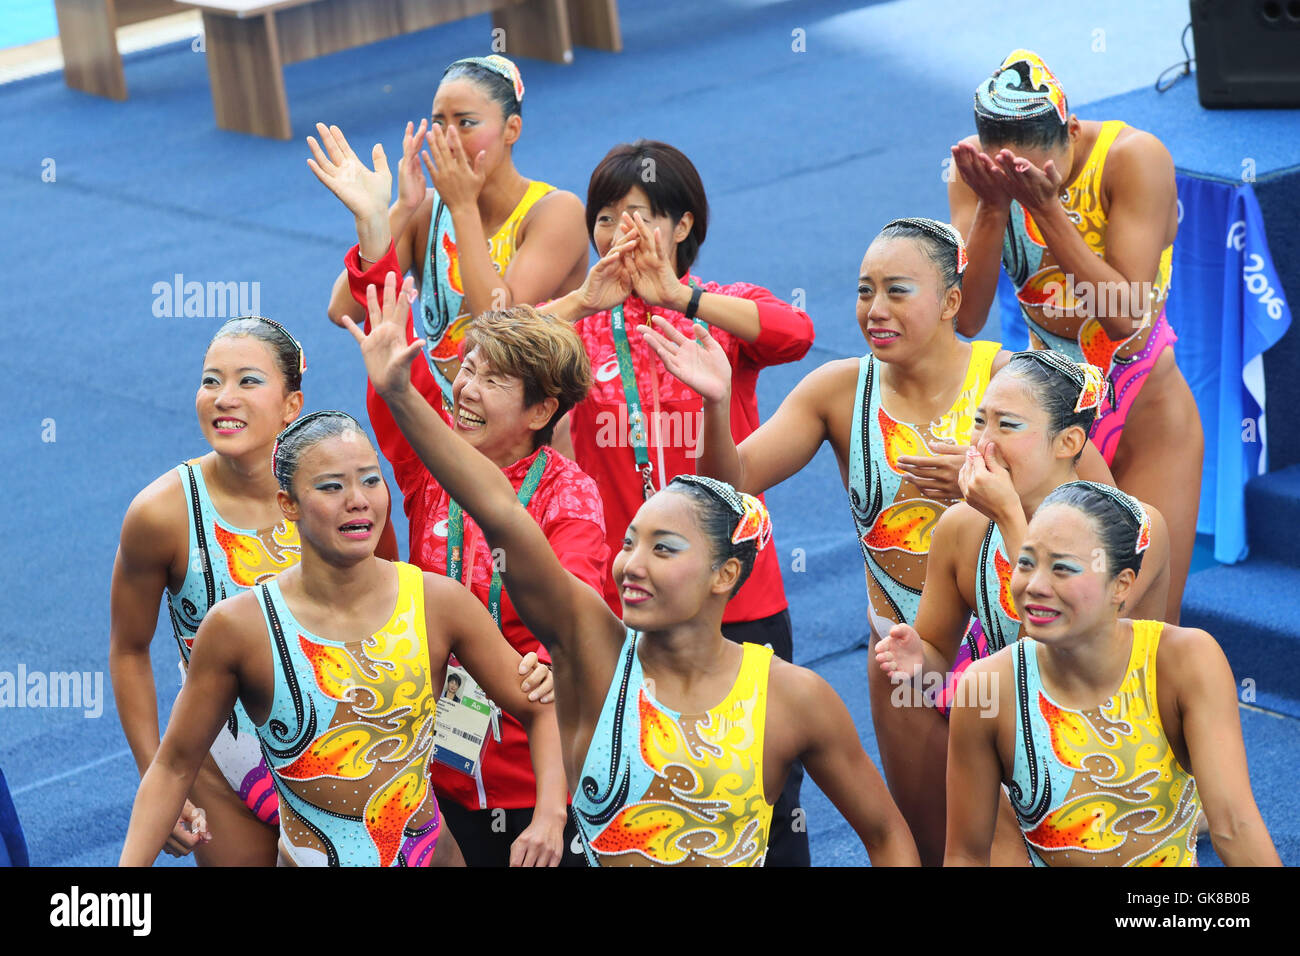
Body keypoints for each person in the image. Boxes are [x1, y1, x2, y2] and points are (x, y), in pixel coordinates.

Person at [342, 272, 922, 867]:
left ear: (725, 574)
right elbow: (497, 509)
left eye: (663, 549)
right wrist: (400, 391)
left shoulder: (797, 698)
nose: (629, 566)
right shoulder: (592, 662)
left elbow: (884, 834)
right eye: (628, 542)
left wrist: (717, 405)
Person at [643, 217, 1006, 865]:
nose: (875, 309)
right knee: (935, 851)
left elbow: (1088, 511)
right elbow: (735, 485)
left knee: (1028, 843)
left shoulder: (1010, 382)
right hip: (904, 655)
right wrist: (716, 405)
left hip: (1013, 653)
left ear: (953, 300)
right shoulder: (839, 390)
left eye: (898, 291)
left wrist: (991, 490)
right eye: (865, 292)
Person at [313, 142, 608, 867]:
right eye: (467, 370)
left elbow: (567, 635)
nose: (466, 390)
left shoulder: (571, 500)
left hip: (539, 787)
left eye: (491, 381)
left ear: (540, 410)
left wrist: (551, 804)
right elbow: (396, 367)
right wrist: (376, 232)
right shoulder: (427, 463)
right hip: (430, 770)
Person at [120, 412, 562, 867]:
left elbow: (537, 705)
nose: (358, 500)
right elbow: (173, 767)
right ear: (287, 504)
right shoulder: (240, 627)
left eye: (370, 481)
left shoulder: (436, 602)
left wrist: (550, 815)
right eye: (331, 486)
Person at [542, 140, 815, 863]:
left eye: (640, 216)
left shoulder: (719, 313)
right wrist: (577, 302)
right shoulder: (580, 332)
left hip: (740, 592)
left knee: (762, 791)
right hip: (626, 598)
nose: (619, 233)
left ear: (684, 225)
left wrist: (682, 300)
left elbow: (799, 333)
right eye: (605, 217)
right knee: (639, 792)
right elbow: (493, 364)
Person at [873, 350, 1165, 864]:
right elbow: (940, 649)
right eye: (979, 421)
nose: (983, 443)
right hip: (1020, 741)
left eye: (1007, 425)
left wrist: (1009, 513)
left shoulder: (1135, 531)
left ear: (1069, 442)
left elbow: (1074, 644)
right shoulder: (963, 530)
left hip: (1114, 736)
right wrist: (922, 661)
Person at [948, 49, 1202, 623]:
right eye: (1013, 176)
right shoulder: (977, 174)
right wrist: (993, 207)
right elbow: (967, 317)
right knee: (1058, 618)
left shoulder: (1132, 159)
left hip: (1145, 414)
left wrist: (1049, 210)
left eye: (1041, 173)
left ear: (1074, 131)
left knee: (1140, 625)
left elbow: (1124, 315)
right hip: (1053, 423)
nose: (1026, 185)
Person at [944, 481, 1281, 866]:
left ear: (1121, 585)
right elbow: (966, 856)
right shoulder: (987, 689)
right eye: (1025, 562)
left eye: (1063, 568)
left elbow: (1233, 826)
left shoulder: (1185, 661)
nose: (1035, 585)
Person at [321, 54, 588, 403]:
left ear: (512, 129)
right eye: (439, 122)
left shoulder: (555, 212)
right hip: (447, 427)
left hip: (533, 426)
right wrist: (396, 211)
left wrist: (463, 207)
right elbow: (344, 311)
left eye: (465, 123)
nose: (448, 138)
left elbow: (497, 326)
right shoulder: (426, 211)